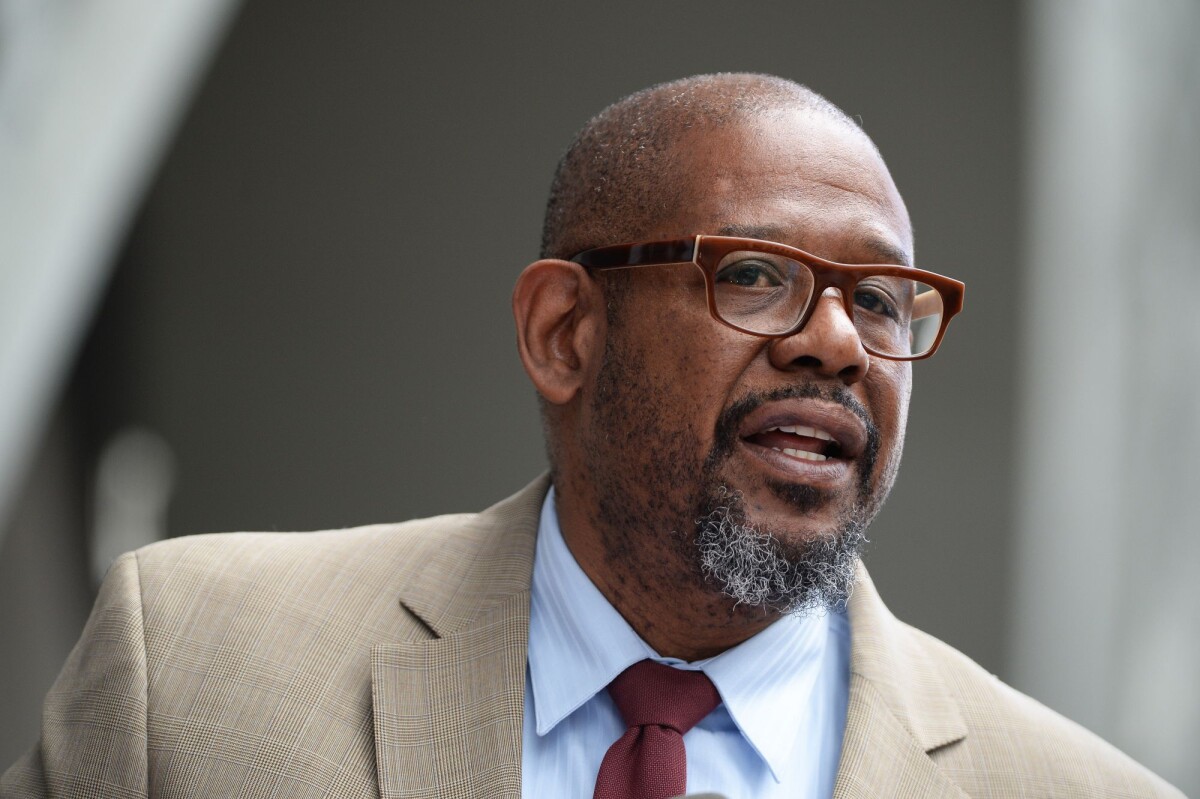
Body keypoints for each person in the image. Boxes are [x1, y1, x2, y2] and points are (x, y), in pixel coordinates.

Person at [1, 73, 1180, 799]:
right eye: (758, 274)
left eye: (881, 300)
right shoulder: (196, 666)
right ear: (565, 331)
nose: (839, 341)